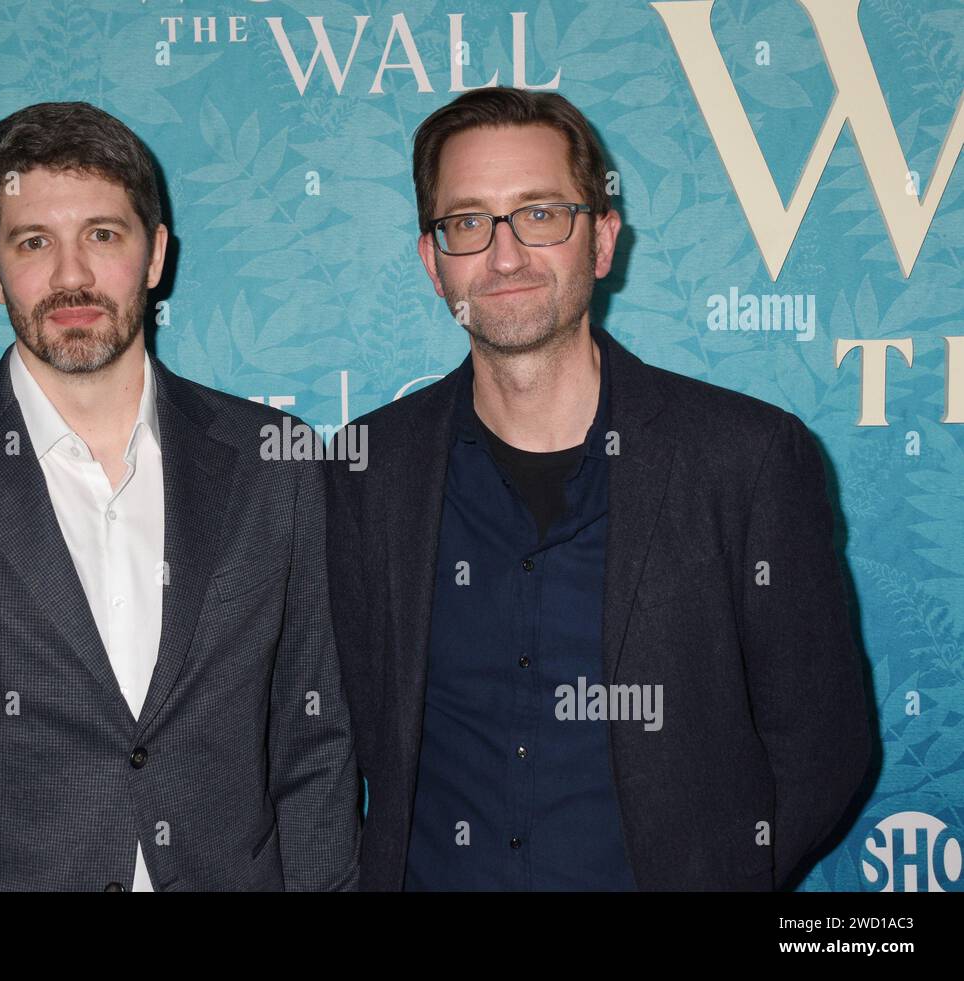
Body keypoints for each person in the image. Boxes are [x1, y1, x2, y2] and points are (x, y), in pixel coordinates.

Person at [0, 101, 359, 891]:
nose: (71, 276)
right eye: (33, 242)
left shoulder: (276, 464)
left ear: (155, 255)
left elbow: (314, 750)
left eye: (103, 234)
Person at [325, 87, 870, 890]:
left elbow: (824, 743)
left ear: (603, 240)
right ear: (433, 263)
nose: (504, 256)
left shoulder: (745, 458)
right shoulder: (367, 468)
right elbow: (334, 735)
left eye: (540, 214)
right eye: (468, 222)